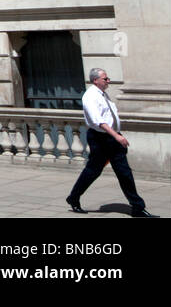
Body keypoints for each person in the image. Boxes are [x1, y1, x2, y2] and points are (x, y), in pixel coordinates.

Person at [66, 68, 155, 217]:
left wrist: (117, 134)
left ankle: (138, 208)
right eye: (105, 79)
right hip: (100, 139)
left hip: (111, 138)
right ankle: (73, 197)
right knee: (93, 171)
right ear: (96, 80)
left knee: (124, 172)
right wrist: (117, 136)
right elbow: (98, 121)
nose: (108, 81)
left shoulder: (103, 94)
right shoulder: (90, 97)